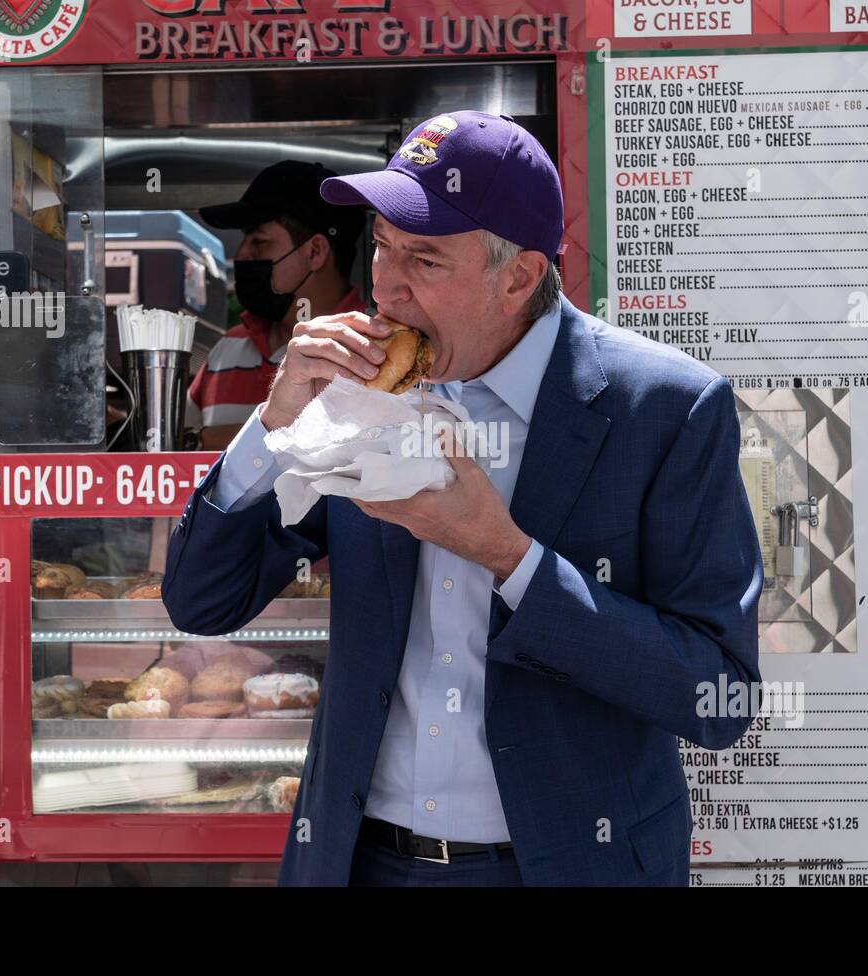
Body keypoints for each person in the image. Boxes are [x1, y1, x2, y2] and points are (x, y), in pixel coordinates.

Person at [163, 111, 763, 886]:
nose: (386, 285)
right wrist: (273, 424)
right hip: (362, 860)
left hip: (570, 864)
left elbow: (717, 698)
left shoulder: (665, 408)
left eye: (425, 259)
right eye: (379, 244)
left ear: (517, 277)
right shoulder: (353, 398)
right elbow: (200, 601)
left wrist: (508, 557)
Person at [186, 160, 366, 449]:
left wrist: (207, 439)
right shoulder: (228, 348)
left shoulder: (370, 349)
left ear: (315, 252)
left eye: (259, 241)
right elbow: (176, 452)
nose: (241, 254)